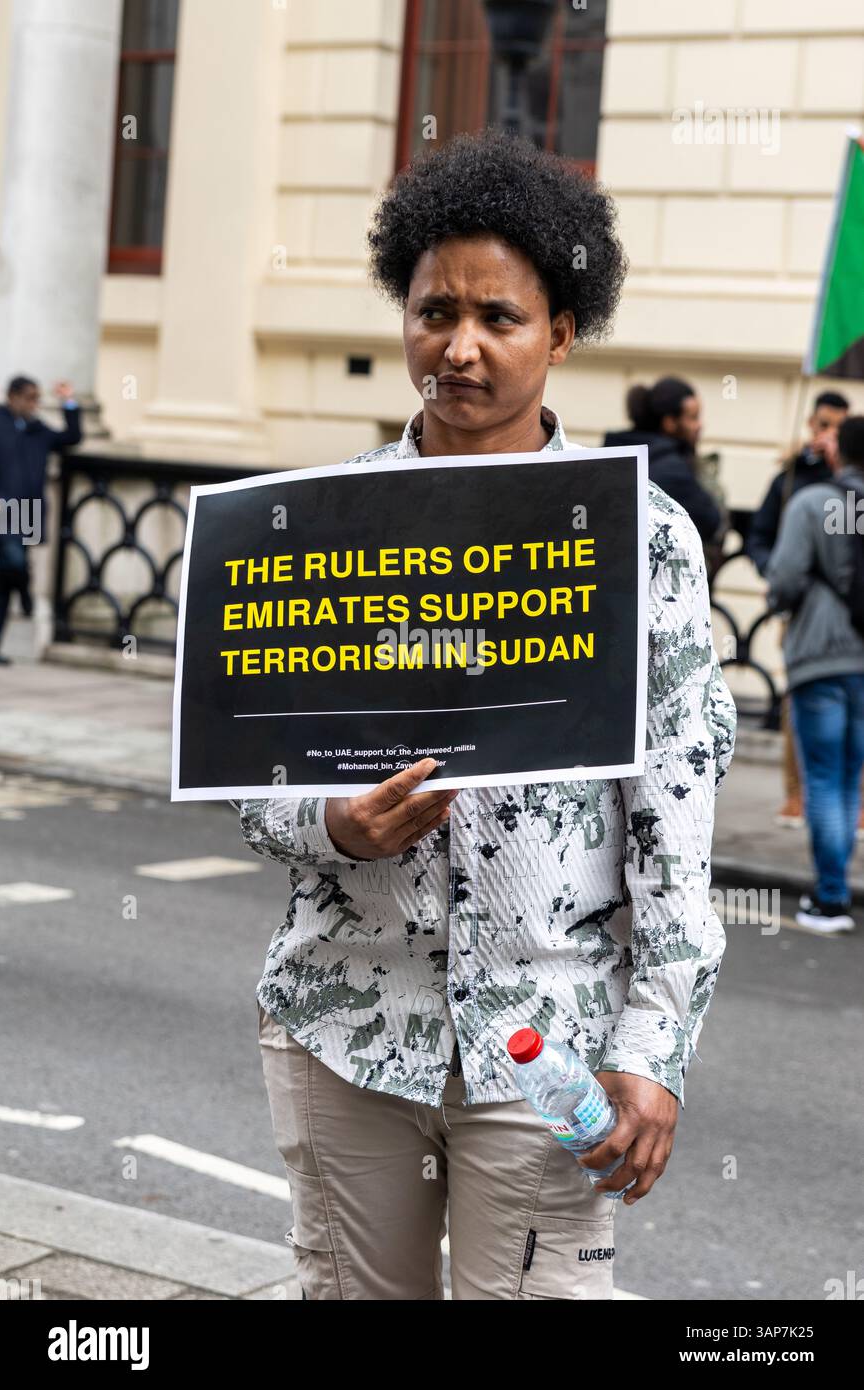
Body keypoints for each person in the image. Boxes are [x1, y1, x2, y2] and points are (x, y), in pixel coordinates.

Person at [239, 128, 737, 1301]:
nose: (457, 347)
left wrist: (652, 1052)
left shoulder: (640, 540)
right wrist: (333, 825)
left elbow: (676, 819)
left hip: (546, 1049)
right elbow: (246, 784)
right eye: (431, 310)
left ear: (560, 332)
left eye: (499, 318)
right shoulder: (313, 529)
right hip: (341, 1026)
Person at [766, 415, 864, 933]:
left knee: (823, 778)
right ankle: (836, 888)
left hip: (820, 658)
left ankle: (831, 899)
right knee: (851, 778)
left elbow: (782, 579)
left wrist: (788, 604)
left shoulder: (811, 503)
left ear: (837, 454)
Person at [747, 391, 850, 829]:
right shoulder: (792, 479)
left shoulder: (852, 478)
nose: (829, 435)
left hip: (853, 615)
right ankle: (796, 793)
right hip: (804, 615)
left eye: (838, 429)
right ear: (811, 425)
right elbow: (760, 536)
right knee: (799, 701)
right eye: (824, 425)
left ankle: (855, 799)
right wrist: (775, 574)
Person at [0, 375, 82, 664]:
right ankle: (27, 592)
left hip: (29, 511)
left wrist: (68, 402)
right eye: (29, 398)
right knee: (14, 562)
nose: (34, 404)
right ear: (12, 397)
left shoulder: (38, 430)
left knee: (3, 585)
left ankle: (19, 595)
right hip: (2, 511)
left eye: (37, 398)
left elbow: (72, 437)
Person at [603, 377, 723, 543]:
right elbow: (711, 522)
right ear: (669, 423)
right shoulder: (673, 469)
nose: (700, 425)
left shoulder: (614, 455)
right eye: (693, 418)